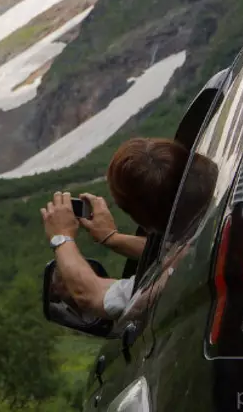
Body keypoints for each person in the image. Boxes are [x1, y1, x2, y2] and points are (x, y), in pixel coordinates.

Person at [41, 136, 192, 320]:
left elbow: (92, 296)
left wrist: (62, 236)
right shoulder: (201, 234)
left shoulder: (172, 277)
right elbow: (168, 250)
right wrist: (111, 237)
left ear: (135, 215)